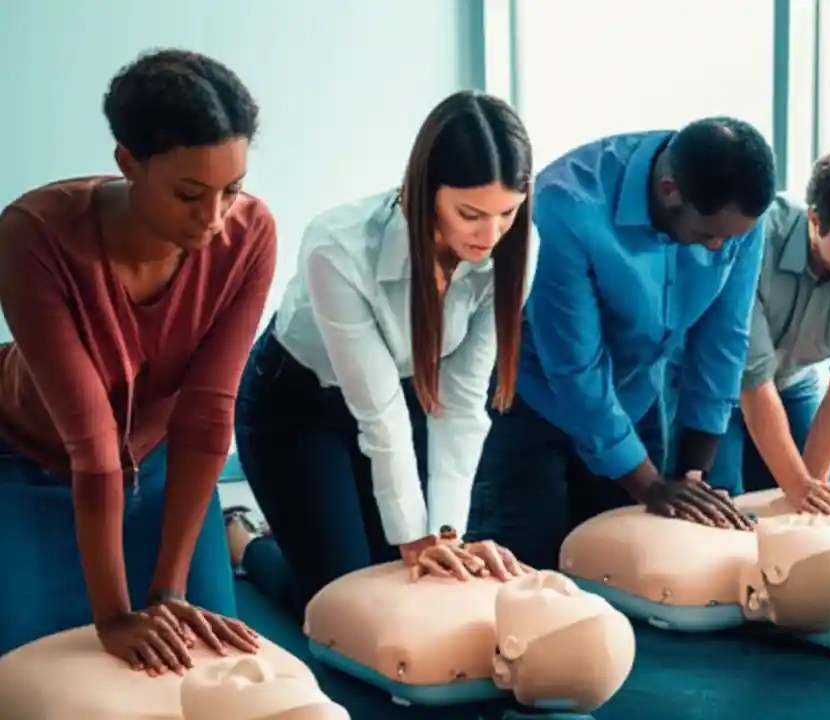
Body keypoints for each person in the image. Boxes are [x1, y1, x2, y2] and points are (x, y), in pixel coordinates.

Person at [0, 49, 270, 672]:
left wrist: (168, 591)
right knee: (31, 673)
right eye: (189, 194)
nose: (215, 218)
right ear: (128, 163)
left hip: (157, 455)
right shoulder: (33, 234)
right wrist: (116, 615)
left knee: (209, 656)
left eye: (232, 189)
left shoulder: (249, 233)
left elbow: (207, 416)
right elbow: (91, 445)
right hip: (27, 458)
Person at [229, 90, 534, 620]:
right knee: (339, 605)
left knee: (408, 571)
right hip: (298, 406)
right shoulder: (339, 245)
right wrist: (412, 539)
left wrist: (443, 535)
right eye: (469, 214)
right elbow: (378, 414)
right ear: (425, 190)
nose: (490, 235)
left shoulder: (517, 247)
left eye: (506, 213)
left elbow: (462, 403)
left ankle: (310, 523)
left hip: (408, 393)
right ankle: (242, 537)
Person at [465, 117, 777, 571]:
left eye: (728, 238)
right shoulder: (563, 209)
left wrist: (690, 475)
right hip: (533, 407)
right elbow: (576, 370)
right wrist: (650, 484)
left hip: (633, 399)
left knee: (625, 571)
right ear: (670, 190)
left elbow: (723, 337)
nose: (716, 247)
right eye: (708, 234)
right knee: (526, 575)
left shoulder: (736, 213)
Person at [706, 148, 830, 513]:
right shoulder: (756, 239)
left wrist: (807, 490)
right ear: (815, 220)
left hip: (793, 384)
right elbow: (753, 377)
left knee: (822, 499)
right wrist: (796, 484)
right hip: (717, 385)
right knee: (724, 506)